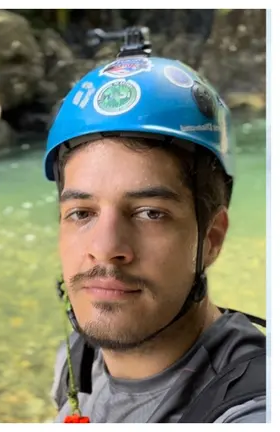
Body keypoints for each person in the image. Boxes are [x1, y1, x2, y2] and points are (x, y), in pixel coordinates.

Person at [43, 32, 266, 423]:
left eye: (150, 213)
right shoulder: (78, 356)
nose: (106, 247)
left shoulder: (253, 405)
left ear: (211, 239)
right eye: (82, 212)